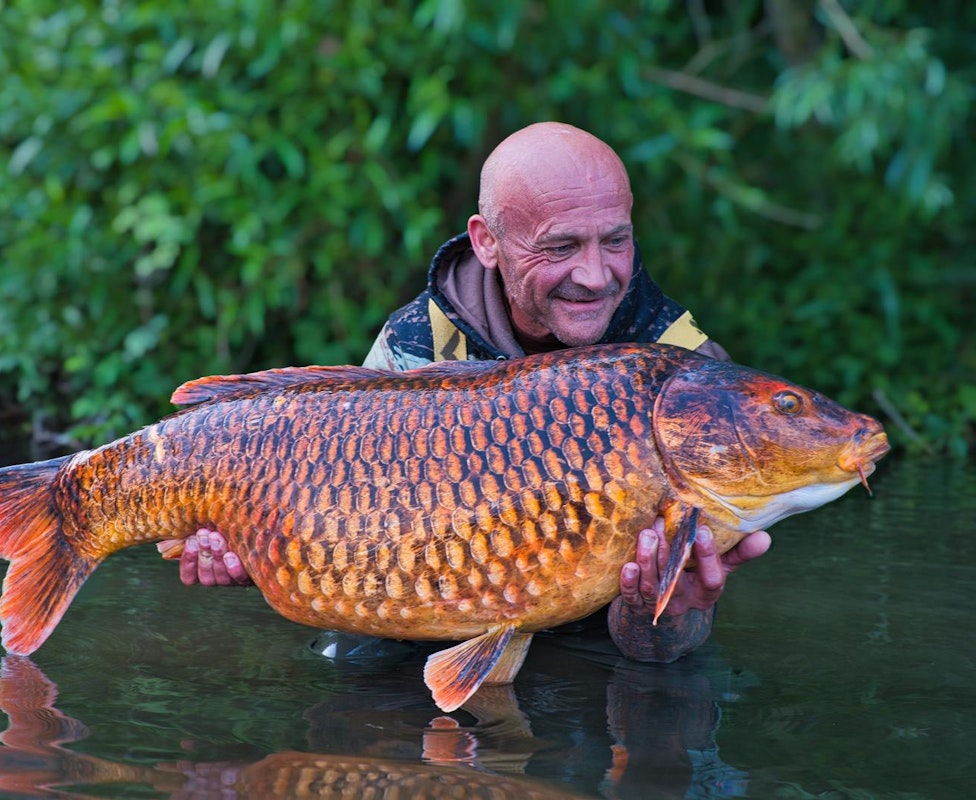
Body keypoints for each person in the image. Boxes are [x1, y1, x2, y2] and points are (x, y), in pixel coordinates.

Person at [161, 122, 771, 664]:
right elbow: (343, 521)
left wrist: (667, 610)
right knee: (344, 664)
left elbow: (664, 647)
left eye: (614, 240)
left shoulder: (685, 371)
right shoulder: (418, 343)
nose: (595, 274)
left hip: (592, 625)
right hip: (422, 598)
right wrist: (264, 547)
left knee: (666, 701)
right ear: (486, 242)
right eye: (560, 247)